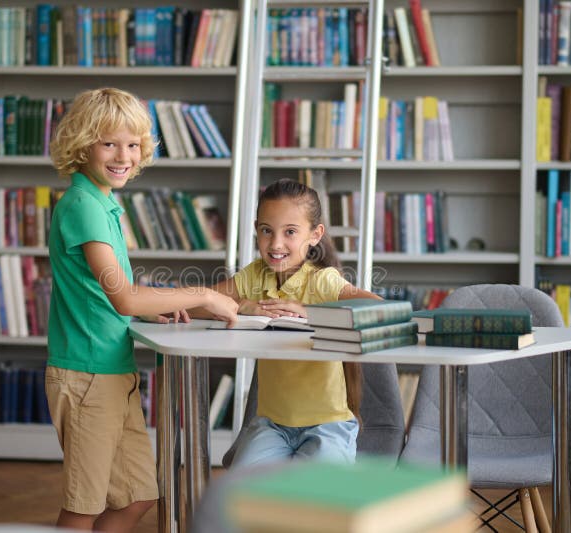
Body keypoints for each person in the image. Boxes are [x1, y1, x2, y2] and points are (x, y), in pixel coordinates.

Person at [45, 87, 238, 531]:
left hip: (112, 371)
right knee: (83, 506)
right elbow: (125, 296)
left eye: (132, 145)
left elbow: (115, 294)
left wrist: (146, 311)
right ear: (82, 144)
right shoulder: (84, 206)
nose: (123, 156)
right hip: (87, 376)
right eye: (109, 143)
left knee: (137, 496)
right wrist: (205, 295)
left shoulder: (104, 203)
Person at [190, 178, 382, 467]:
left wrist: (311, 312)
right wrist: (243, 306)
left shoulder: (321, 281)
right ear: (256, 229)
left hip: (328, 425)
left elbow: (379, 309)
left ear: (315, 235)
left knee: (314, 499)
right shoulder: (255, 276)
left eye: (290, 232)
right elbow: (197, 302)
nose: (276, 244)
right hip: (272, 425)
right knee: (243, 496)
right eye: (267, 231)